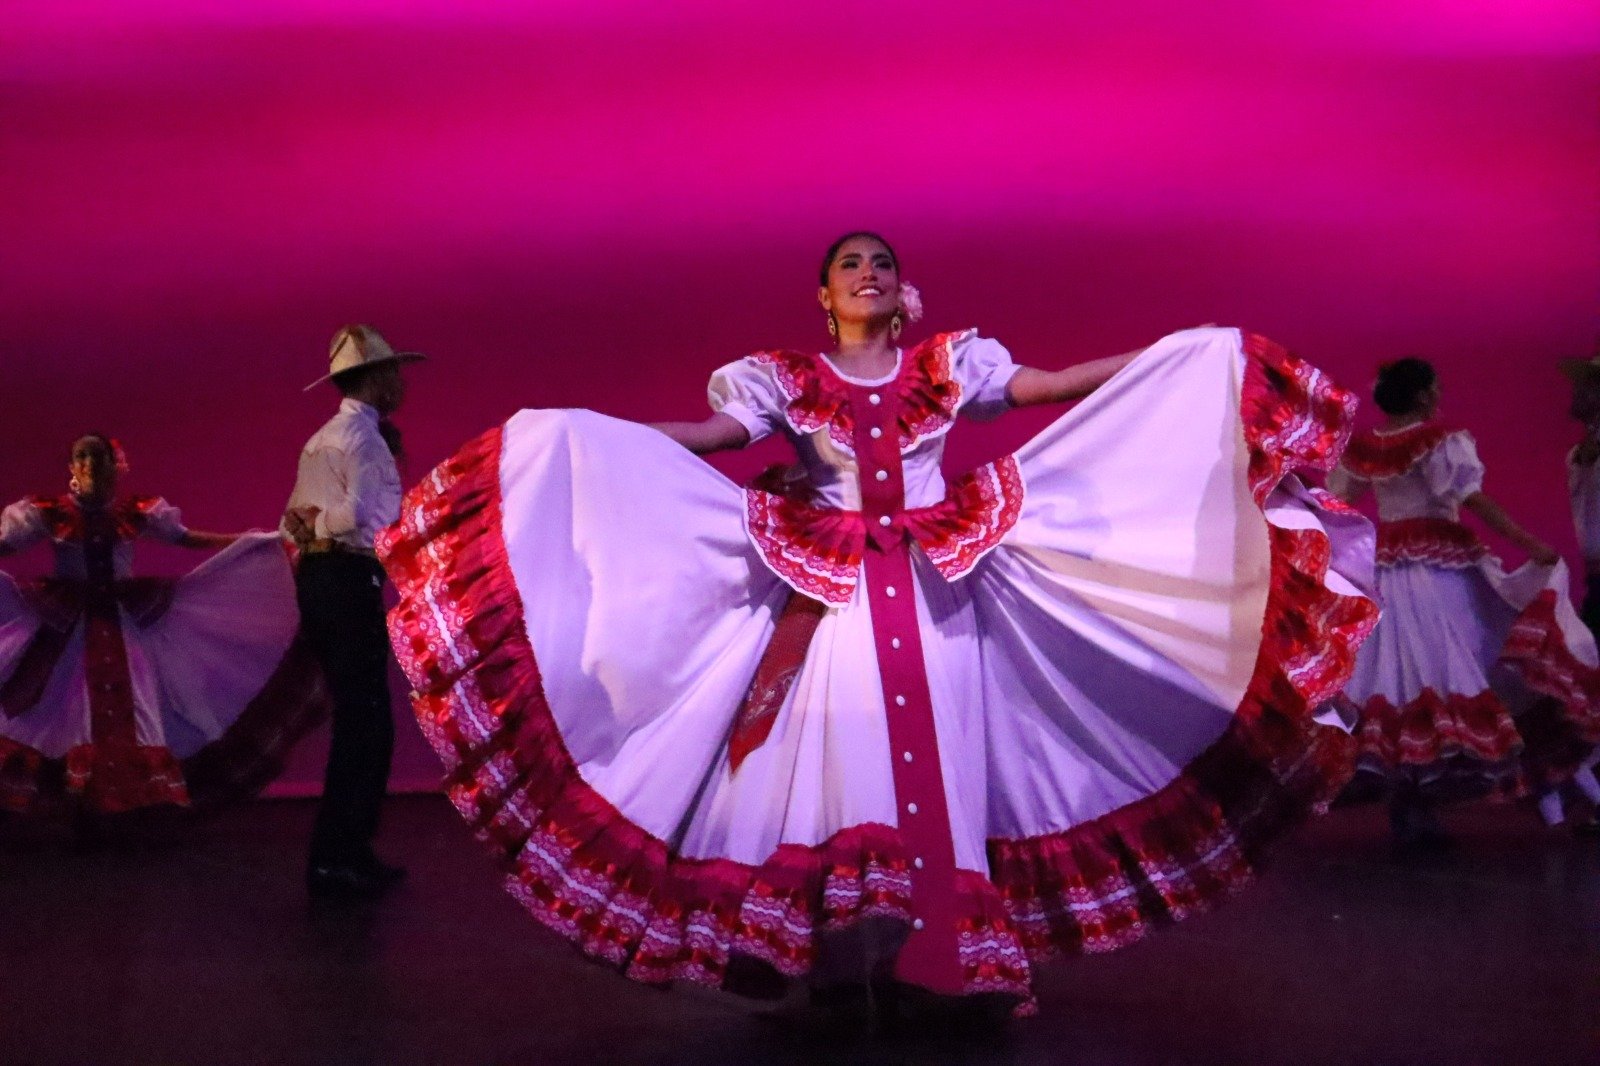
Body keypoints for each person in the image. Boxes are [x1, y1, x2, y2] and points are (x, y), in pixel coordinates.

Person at [377, 233, 1377, 1017]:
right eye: (849, 264)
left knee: (937, 762)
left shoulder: (948, 366)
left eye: (882, 264)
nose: (867, 274)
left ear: (903, 293)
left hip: (938, 589)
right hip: (838, 600)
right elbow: (717, 437)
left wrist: (1177, 355)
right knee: (839, 763)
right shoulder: (786, 379)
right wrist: (587, 434)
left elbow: (1044, 386)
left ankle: (943, 953)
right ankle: (829, 960)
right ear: (823, 295)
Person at [1330, 358, 1600, 845]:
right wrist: (1529, 543)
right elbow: (1471, 499)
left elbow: (1340, 500)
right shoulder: (1439, 439)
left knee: (1403, 674)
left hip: (1392, 565)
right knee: (1454, 660)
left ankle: (1410, 802)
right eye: (1433, 388)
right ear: (1420, 397)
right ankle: (1418, 802)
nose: (1438, 396)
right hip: (1436, 564)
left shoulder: (1368, 447)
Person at [0, 434, 326, 818]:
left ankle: (131, 807)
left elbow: (185, 538)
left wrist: (253, 542)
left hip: (123, 623)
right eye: (81, 456)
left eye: (97, 456)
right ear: (71, 468)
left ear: (113, 465)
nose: (89, 463)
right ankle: (82, 806)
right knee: (71, 709)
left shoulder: (136, 512)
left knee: (137, 706)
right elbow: (6, 545)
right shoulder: (48, 512)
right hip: (68, 625)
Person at [285, 324, 421, 898]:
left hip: (324, 579)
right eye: (392, 372)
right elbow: (356, 515)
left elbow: (290, 518)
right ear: (373, 379)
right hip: (344, 575)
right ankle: (340, 853)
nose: (399, 382)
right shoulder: (362, 441)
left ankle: (342, 850)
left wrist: (308, 525)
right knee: (366, 721)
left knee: (359, 718)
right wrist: (324, 524)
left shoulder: (322, 438)